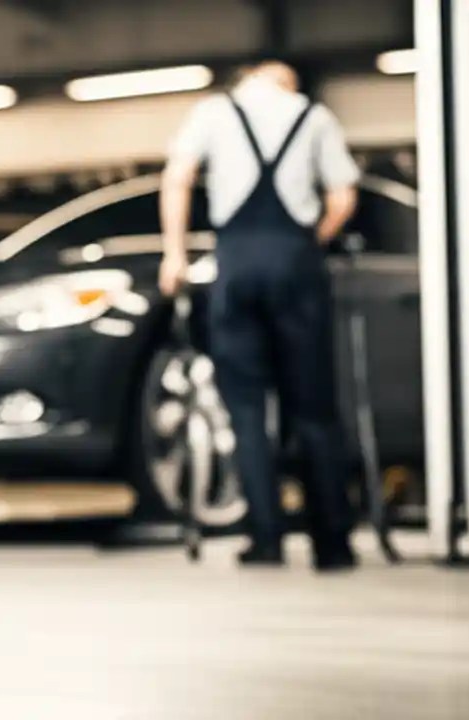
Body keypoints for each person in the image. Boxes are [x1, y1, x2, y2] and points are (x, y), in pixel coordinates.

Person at [157, 60, 360, 570]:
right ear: (287, 83)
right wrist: (306, 244)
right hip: (297, 264)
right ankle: (331, 543)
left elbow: (177, 178)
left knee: (245, 407)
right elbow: (342, 197)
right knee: (313, 407)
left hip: (237, 263)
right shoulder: (313, 115)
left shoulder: (212, 111)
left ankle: (265, 539)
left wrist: (175, 254)